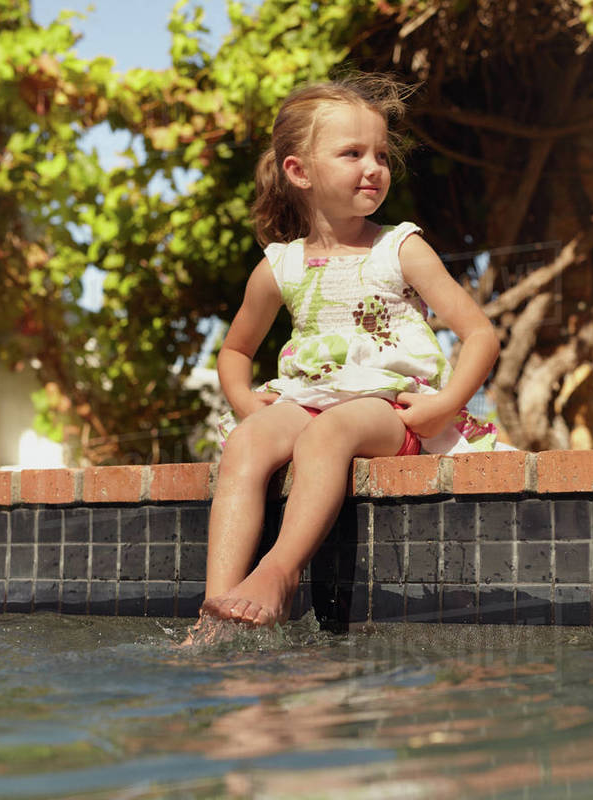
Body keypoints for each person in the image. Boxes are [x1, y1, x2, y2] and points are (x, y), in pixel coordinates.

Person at [199, 74, 501, 628]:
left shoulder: (399, 248)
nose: (374, 167)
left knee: (328, 433)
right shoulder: (280, 265)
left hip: (386, 408)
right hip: (307, 397)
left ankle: (281, 571)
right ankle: (216, 607)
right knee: (245, 444)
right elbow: (236, 350)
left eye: (382, 154)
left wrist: (445, 403)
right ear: (299, 172)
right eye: (352, 153)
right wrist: (244, 401)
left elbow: (479, 332)